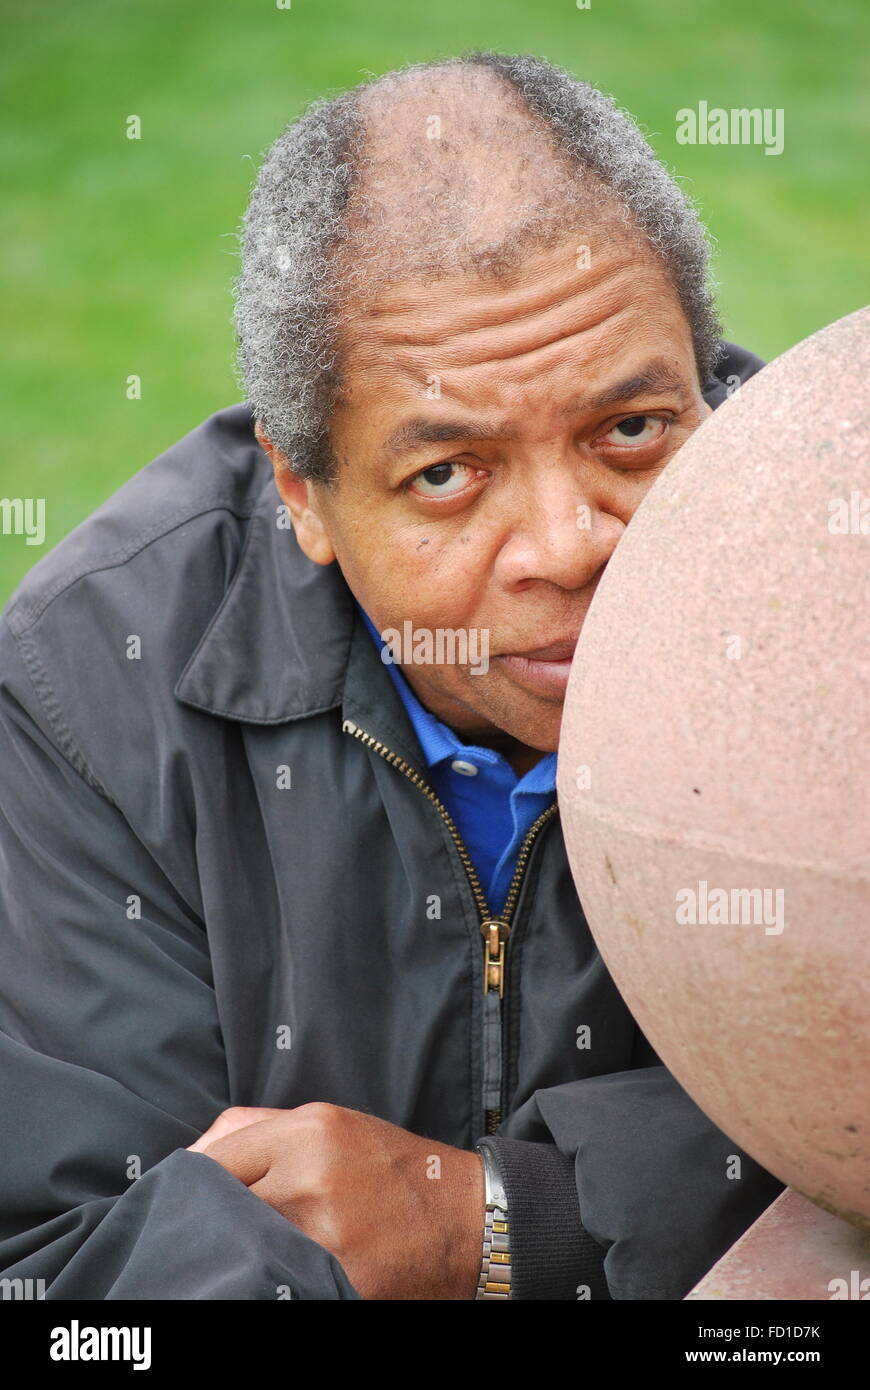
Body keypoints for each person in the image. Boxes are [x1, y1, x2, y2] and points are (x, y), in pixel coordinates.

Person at [0, 51, 782, 1301]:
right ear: (300, 491)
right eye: (448, 475)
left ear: (703, 377)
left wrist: (498, 1221)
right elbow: (59, 1261)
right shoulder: (89, 683)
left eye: (631, 429)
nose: (570, 544)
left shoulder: (830, 574)